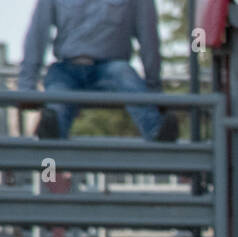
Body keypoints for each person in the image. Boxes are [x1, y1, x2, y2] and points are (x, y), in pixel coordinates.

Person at [18, 0, 178, 142]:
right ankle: (52, 134)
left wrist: (154, 90)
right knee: (57, 100)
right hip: (67, 70)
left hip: (112, 69)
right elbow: (37, 36)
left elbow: (148, 39)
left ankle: (157, 132)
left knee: (126, 77)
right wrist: (26, 88)